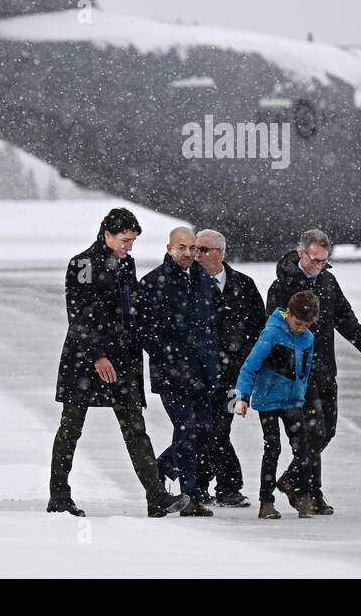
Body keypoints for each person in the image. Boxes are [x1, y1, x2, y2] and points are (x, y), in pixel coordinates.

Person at [48, 208, 189, 518]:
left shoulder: (126, 263)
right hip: (85, 361)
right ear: (107, 235)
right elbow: (80, 316)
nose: (129, 246)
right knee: (71, 429)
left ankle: (156, 497)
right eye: (125, 240)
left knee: (135, 430)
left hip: (122, 359)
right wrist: (97, 355)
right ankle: (59, 495)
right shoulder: (83, 264)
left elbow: (130, 310)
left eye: (133, 241)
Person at [265, 229, 361, 515]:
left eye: (323, 261)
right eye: (314, 260)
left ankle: (292, 479)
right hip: (297, 374)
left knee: (327, 430)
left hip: (325, 368)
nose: (319, 266)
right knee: (311, 432)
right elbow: (271, 331)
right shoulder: (282, 286)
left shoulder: (328, 281)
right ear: (301, 253)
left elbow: (344, 316)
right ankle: (310, 491)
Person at [137, 226, 221, 517]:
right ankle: (190, 496)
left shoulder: (203, 280)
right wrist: (168, 357)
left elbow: (211, 324)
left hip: (203, 371)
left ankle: (163, 467)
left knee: (204, 432)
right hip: (173, 374)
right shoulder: (153, 283)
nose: (188, 254)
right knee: (186, 431)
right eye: (182, 248)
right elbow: (143, 330)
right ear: (169, 248)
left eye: (192, 248)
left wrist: (213, 362)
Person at [234, 290, 321, 519]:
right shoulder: (272, 334)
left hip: (292, 401)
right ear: (288, 314)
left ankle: (303, 497)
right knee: (273, 448)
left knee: (302, 449)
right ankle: (266, 502)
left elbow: (305, 371)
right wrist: (241, 397)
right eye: (297, 322)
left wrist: (300, 395)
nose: (300, 328)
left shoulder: (308, 339)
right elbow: (249, 366)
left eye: (306, 324)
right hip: (268, 401)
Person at [194, 229, 265, 508]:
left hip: (234, 376)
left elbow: (258, 328)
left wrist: (250, 366)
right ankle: (216, 486)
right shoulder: (190, 284)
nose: (197, 255)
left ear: (220, 253)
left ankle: (217, 486)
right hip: (199, 374)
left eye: (204, 250)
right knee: (205, 430)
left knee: (220, 428)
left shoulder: (244, 285)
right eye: (196, 249)